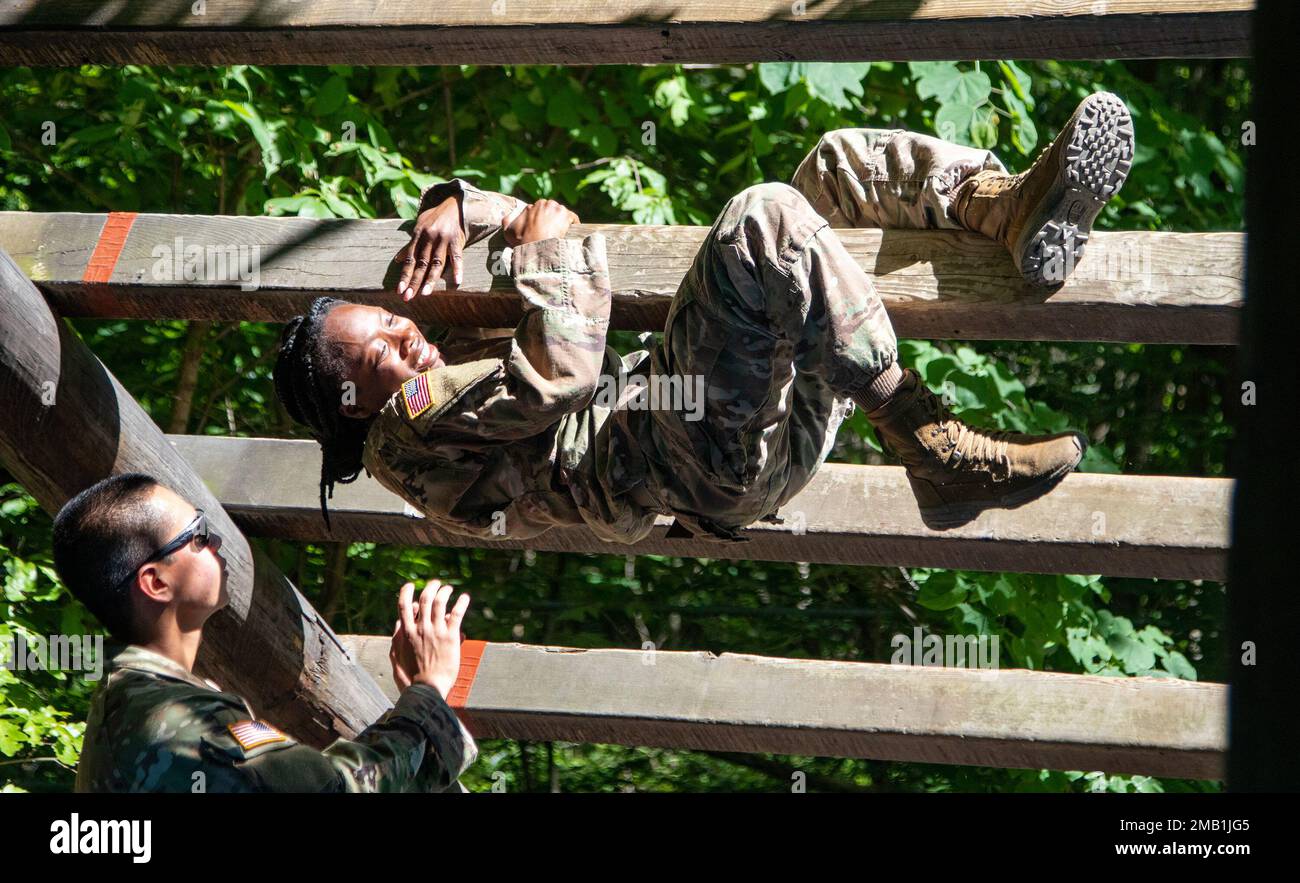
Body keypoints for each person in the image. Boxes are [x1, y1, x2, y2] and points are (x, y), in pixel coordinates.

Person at [272, 92, 1134, 544]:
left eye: (387, 318)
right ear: (354, 400)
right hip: (702, 452)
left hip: (742, 408)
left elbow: (538, 222)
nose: (403, 330)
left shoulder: (438, 358)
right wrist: (543, 246)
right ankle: (925, 434)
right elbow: (561, 370)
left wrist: (459, 200)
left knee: (828, 171)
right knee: (762, 216)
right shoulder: (406, 435)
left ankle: (1005, 207)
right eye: (377, 346)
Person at [51, 472, 476, 792]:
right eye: (196, 535)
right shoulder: (177, 721)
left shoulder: (140, 704)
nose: (216, 540)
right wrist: (427, 692)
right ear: (156, 582)